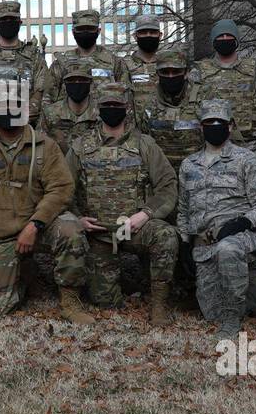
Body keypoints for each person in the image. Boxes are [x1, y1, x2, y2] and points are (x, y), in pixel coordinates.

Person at [0, 92, 87, 318]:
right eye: (2, 107)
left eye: (14, 106)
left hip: (37, 226)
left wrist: (35, 224)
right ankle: (23, 271)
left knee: (70, 229)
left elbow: (62, 187)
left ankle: (70, 300)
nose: (8, 111)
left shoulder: (44, 145)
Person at [65, 83, 179, 326]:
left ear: (127, 108)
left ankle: (159, 304)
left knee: (166, 235)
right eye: (107, 106)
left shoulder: (144, 144)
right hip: (99, 234)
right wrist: (77, 218)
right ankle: (116, 282)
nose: (112, 109)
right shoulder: (81, 146)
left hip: (133, 228)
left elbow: (168, 185)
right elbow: (63, 188)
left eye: (117, 105)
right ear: (98, 108)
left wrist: (146, 214)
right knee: (104, 300)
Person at [177, 100, 256, 335]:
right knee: (211, 313)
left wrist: (241, 222)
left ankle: (233, 319)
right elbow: (183, 208)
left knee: (228, 249)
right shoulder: (188, 165)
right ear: (201, 127)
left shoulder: (246, 160)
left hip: (244, 237)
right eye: (208, 122)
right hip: (205, 246)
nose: (214, 126)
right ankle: (250, 295)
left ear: (231, 126)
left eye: (219, 122)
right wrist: (184, 241)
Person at [195, 19, 256, 154]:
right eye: (220, 36)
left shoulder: (255, 70)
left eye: (229, 36)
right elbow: (192, 111)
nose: (225, 39)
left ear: (237, 40)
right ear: (213, 41)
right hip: (212, 149)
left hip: (250, 148)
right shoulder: (199, 72)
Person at [45, 9, 129, 108]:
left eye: (90, 29)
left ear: (98, 31)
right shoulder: (61, 63)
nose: (85, 32)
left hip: (104, 121)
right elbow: (48, 101)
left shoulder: (115, 62)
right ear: (73, 32)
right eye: (80, 29)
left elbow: (126, 100)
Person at [140, 49, 204, 170]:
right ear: (158, 74)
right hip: (162, 173)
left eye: (176, 71)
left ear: (186, 73)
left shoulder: (202, 98)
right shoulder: (149, 103)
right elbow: (144, 142)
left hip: (197, 173)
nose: (171, 76)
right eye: (165, 72)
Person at [120, 14, 187, 112]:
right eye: (143, 32)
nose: (148, 35)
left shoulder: (173, 64)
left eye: (152, 32)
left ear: (160, 35)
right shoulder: (123, 65)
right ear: (135, 36)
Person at [36, 56, 100, 153]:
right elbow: (39, 147)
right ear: (65, 84)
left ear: (90, 84)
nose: (77, 84)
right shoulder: (50, 113)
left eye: (82, 81)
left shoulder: (101, 113)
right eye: (72, 81)